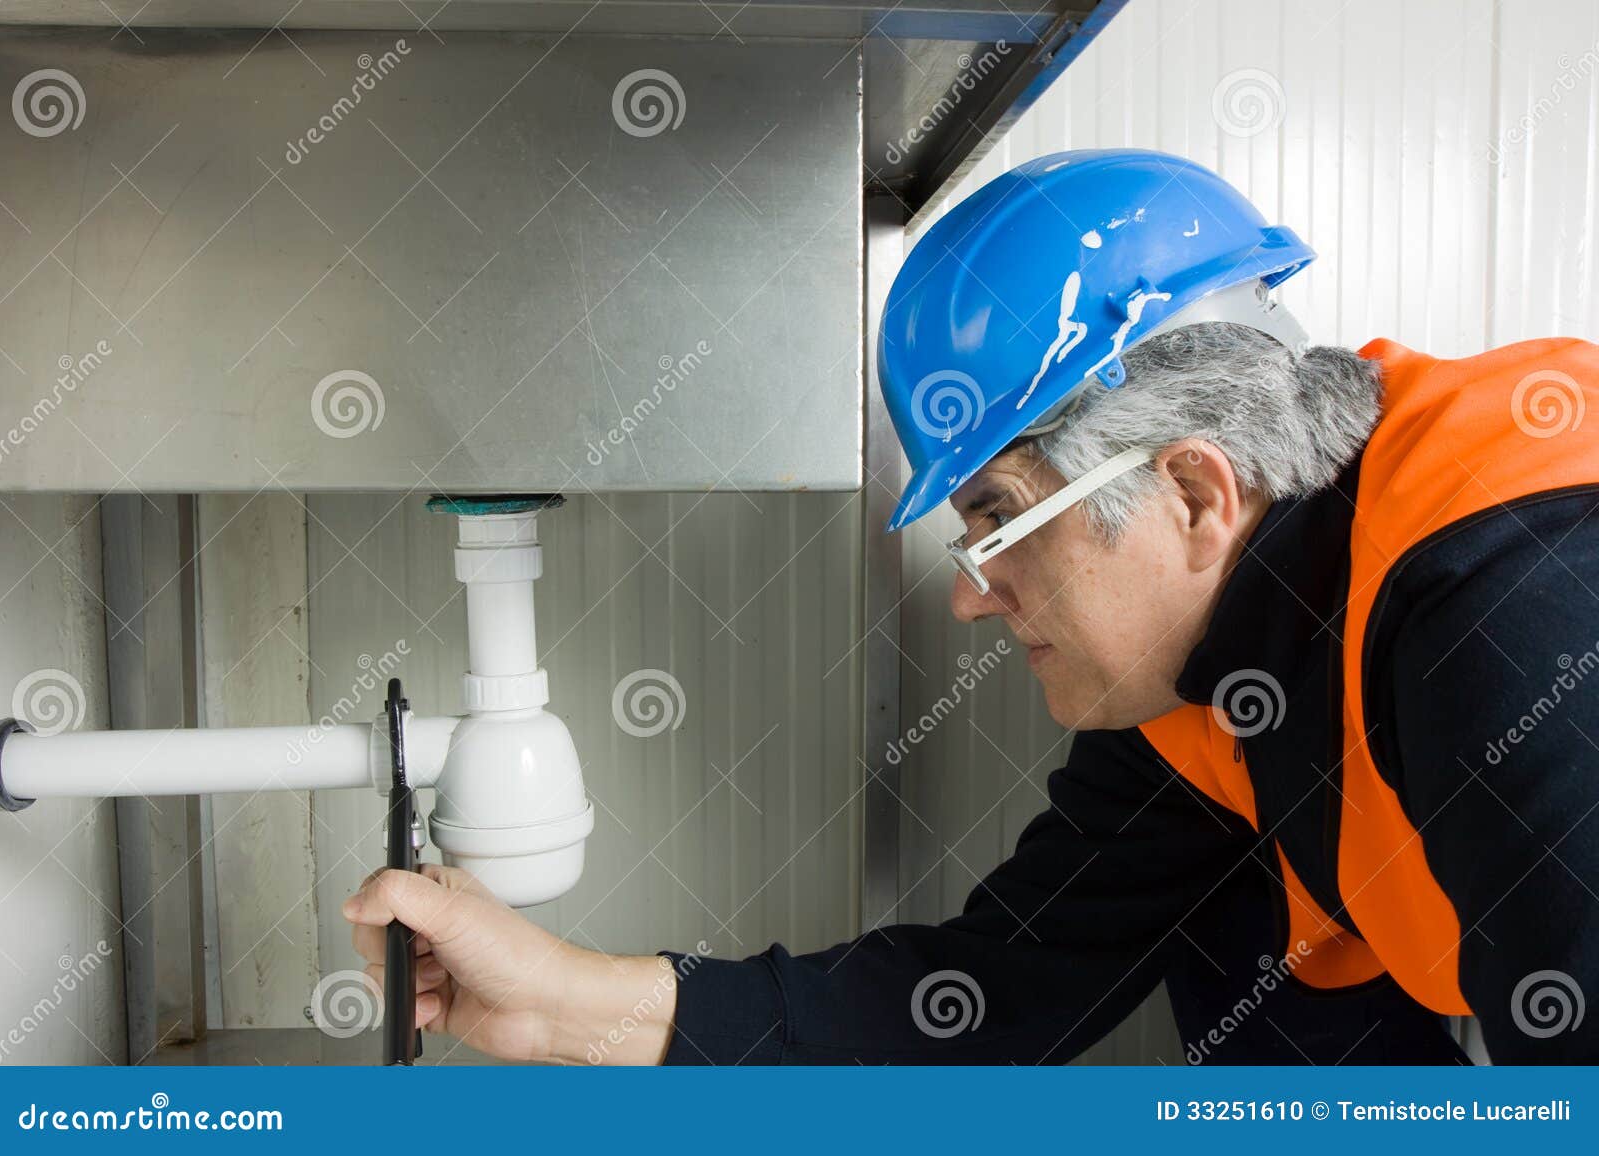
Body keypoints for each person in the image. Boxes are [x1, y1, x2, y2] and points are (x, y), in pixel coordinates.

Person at [346, 149, 1599, 1064]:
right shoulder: (1205, 674)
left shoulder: (1516, 608)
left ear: (1193, 489)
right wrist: (557, 1000)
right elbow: (991, 990)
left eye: (1002, 516)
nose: (968, 594)